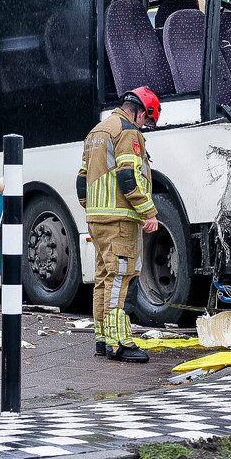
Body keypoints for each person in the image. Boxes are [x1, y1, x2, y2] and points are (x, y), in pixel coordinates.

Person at [77, 88, 162, 364]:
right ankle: (119, 344)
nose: (144, 126)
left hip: (97, 219)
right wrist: (148, 211)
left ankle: (102, 339)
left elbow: (81, 182)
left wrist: (94, 208)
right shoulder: (127, 131)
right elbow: (128, 176)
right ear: (140, 111)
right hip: (120, 220)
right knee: (120, 279)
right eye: (146, 120)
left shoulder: (95, 132)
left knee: (103, 278)